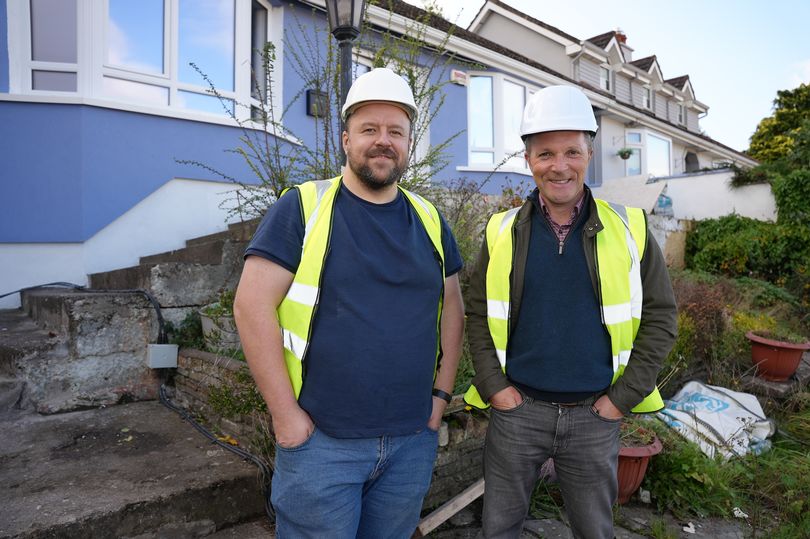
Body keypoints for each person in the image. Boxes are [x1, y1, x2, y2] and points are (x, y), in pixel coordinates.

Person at [233, 67, 465, 539]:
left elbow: (454, 309)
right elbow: (251, 306)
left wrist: (440, 399)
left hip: (409, 442)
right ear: (345, 139)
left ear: (408, 143)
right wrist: (285, 418)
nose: (383, 141)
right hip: (322, 444)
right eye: (369, 130)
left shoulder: (430, 218)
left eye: (395, 131)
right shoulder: (303, 207)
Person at [464, 85, 677, 539]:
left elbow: (661, 320)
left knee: (594, 531)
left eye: (571, 152)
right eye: (545, 154)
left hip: (594, 416)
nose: (558, 166)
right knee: (498, 528)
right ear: (528, 160)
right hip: (517, 411)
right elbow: (478, 313)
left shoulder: (631, 229)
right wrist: (494, 387)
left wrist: (619, 401)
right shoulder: (502, 231)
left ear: (589, 154)